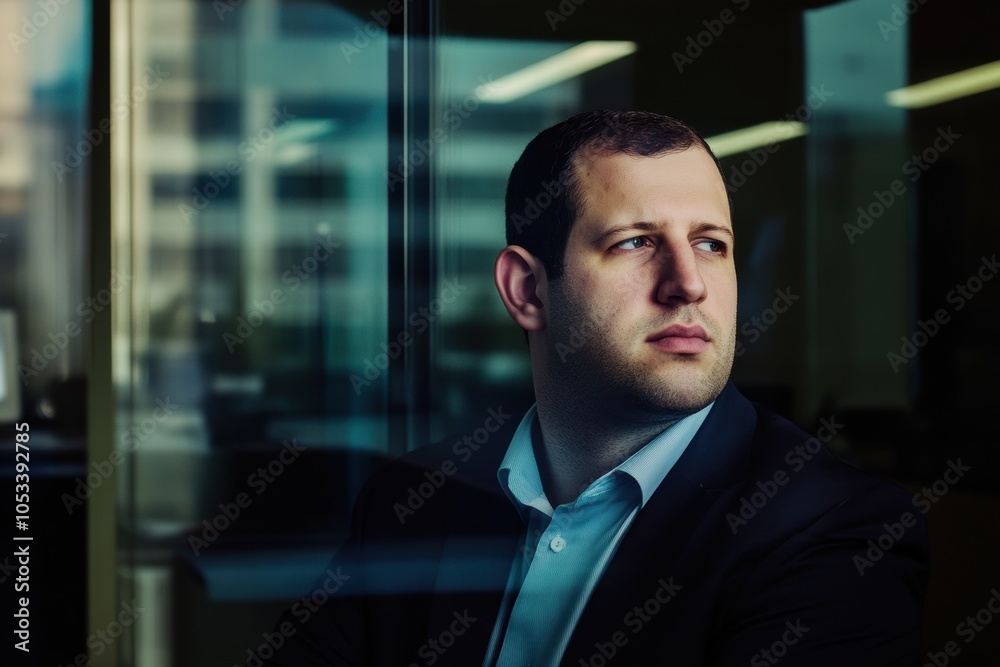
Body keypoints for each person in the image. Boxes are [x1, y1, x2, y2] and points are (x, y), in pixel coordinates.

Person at [263, 110, 928, 666]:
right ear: (527, 290)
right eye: (636, 241)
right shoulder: (410, 500)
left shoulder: (835, 529)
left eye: (711, 244)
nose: (688, 282)